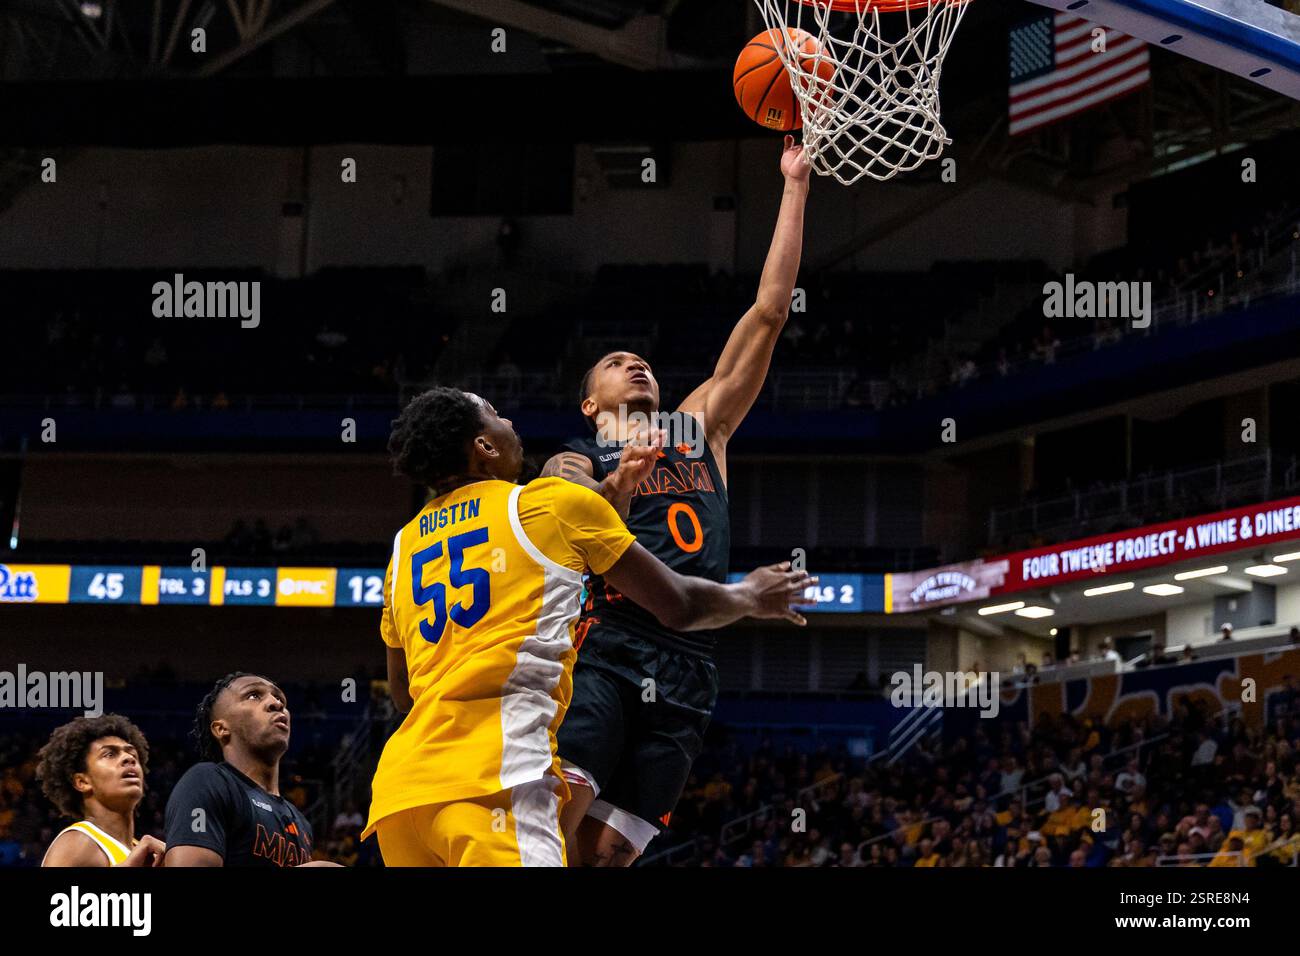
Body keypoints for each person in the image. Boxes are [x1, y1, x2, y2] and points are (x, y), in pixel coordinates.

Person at [363, 388, 812, 867]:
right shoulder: (546, 504)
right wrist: (749, 595)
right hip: (495, 781)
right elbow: (678, 605)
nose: (510, 421)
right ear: (485, 447)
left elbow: (404, 693)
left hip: (402, 796)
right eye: (496, 416)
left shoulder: (403, 547)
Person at [540, 136, 812, 866]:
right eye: (615, 363)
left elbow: (769, 311)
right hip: (605, 645)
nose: (636, 363)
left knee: (606, 857)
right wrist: (615, 489)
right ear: (590, 401)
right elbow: (575, 517)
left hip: (692, 660)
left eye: (643, 360)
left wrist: (795, 183)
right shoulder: (573, 455)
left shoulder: (702, 428)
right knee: (554, 820)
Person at [163, 672, 328, 867]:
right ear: (221, 729)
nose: (276, 703)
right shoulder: (206, 782)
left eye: (279, 697)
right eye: (253, 695)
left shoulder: (300, 821)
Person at [37, 715, 165, 867]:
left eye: (132, 754)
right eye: (109, 754)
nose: (128, 758)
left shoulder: (144, 852)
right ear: (82, 782)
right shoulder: (79, 842)